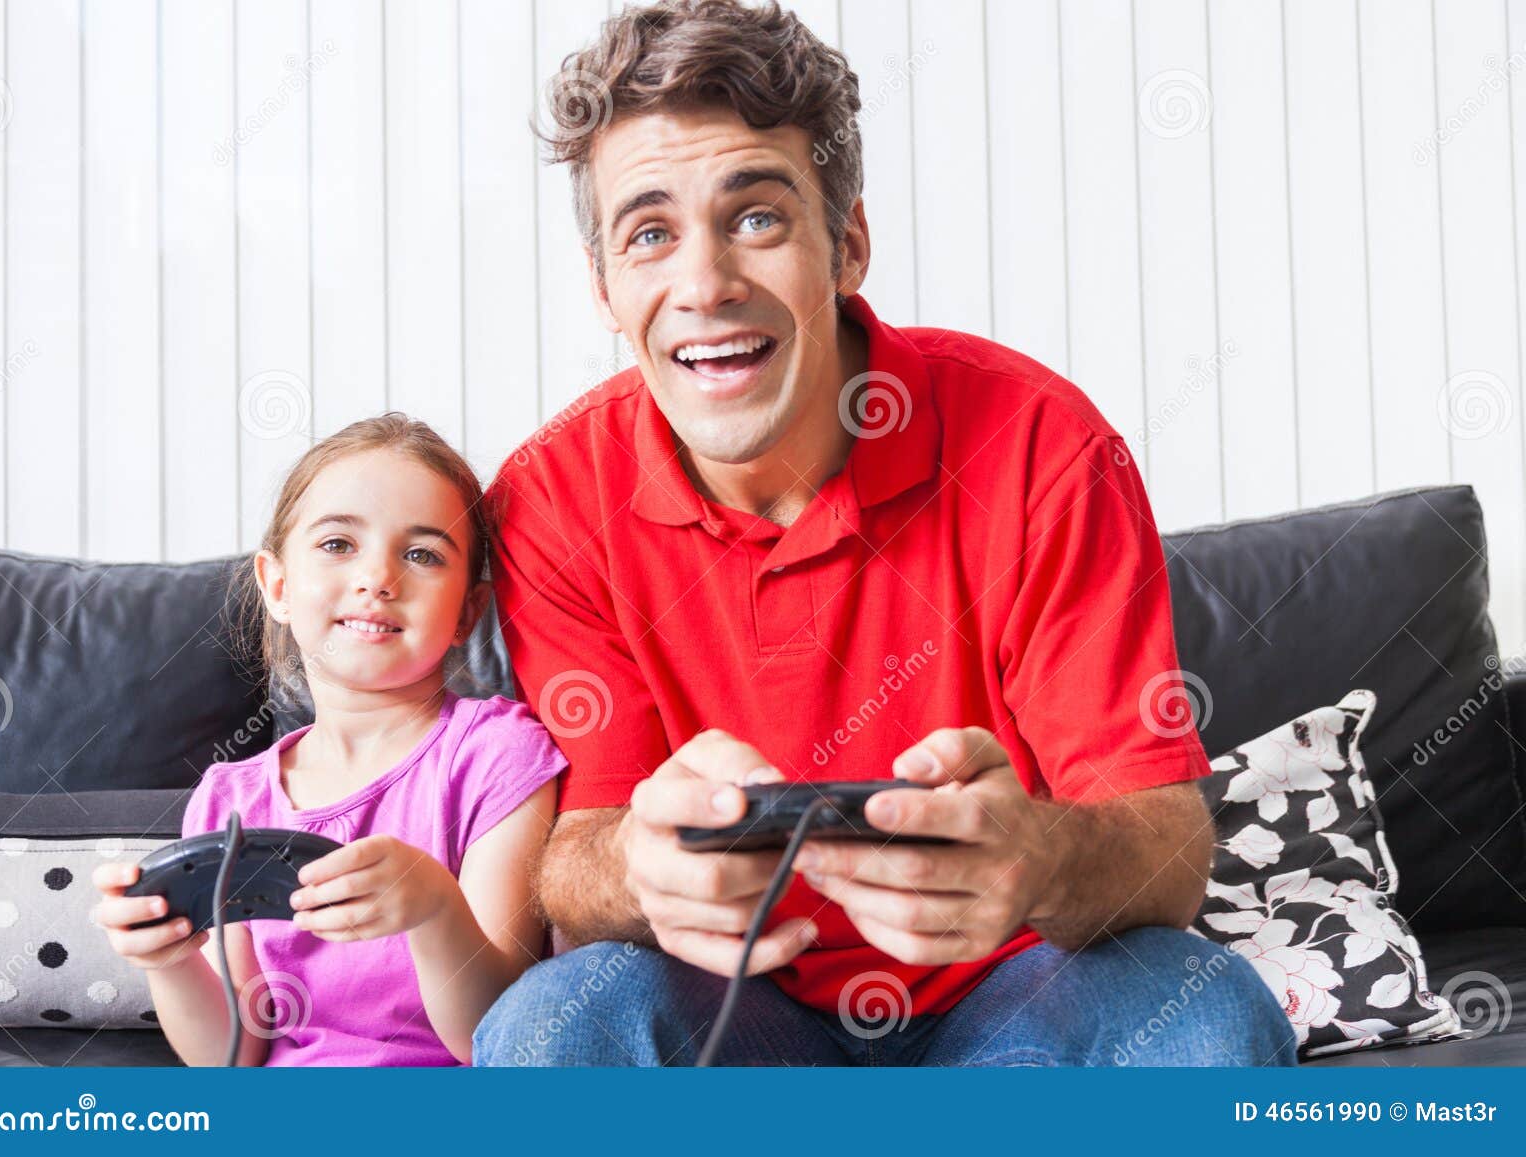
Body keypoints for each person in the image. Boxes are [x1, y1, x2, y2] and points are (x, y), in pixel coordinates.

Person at [477, 0, 1296, 1066]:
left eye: (757, 217)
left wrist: (1036, 855)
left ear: (846, 243)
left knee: (1205, 1008)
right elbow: (576, 856)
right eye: (649, 234)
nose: (704, 283)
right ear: (604, 287)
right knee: (557, 1020)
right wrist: (635, 861)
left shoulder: (1041, 441)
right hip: (741, 1014)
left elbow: (1167, 849)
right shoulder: (550, 497)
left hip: (1017, 1001)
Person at [93, 413, 565, 1066]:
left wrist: (435, 906)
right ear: (279, 586)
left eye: (422, 554)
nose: (379, 579)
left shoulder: (497, 755)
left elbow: (499, 1038)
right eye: (339, 544)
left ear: (468, 612)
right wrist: (169, 959)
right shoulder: (230, 799)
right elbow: (229, 1058)